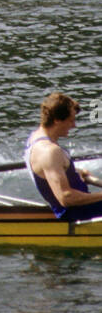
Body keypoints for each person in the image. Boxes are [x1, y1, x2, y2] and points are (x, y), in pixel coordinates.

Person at [26, 93, 102, 221]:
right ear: (56, 120)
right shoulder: (49, 152)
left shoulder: (35, 136)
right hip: (77, 213)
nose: (74, 126)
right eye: (71, 120)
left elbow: (48, 171)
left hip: (82, 207)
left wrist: (74, 173)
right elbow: (66, 198)